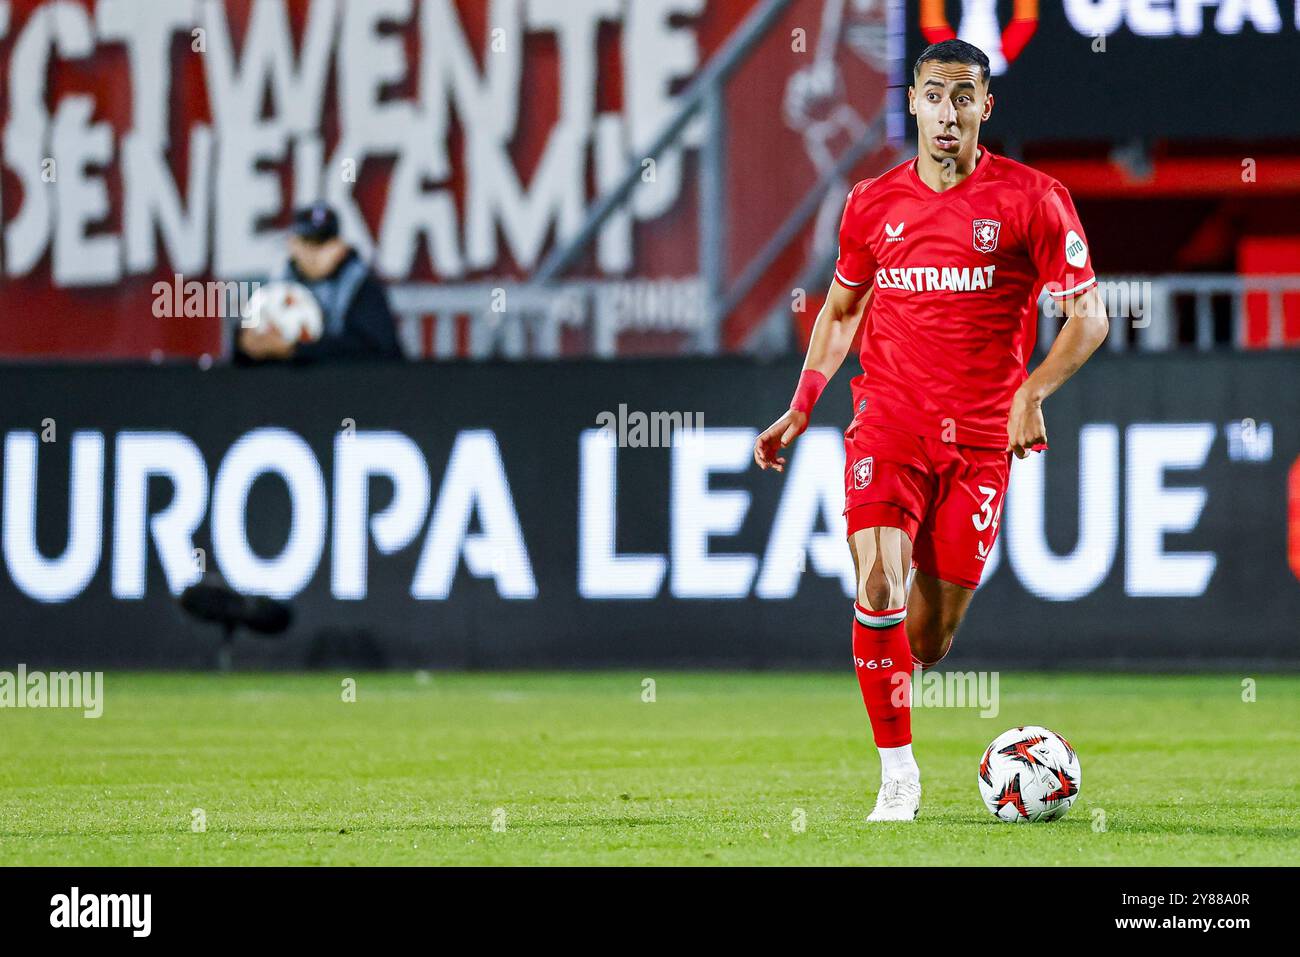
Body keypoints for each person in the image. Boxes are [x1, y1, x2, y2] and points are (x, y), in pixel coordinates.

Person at [753, 39, 1110, 822]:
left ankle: (902, 672)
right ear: (911, 100)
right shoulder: (871, 204)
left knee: (930, 640)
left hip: (982, 442)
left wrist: (1033, 391)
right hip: (889, 424)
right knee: (877, 582)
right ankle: (898, 775)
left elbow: (1089, 316)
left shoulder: (1033, 200)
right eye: (934, 95)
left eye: (964, 97)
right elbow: (843, 311)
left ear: (987, 106)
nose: (947, 112)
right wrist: (804, 402)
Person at [237, 202, 402, 363]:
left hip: (346, 387)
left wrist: (297, 350)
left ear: (340, 247)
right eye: (307, 242)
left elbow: (381, 352)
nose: (314, 253)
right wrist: (246, 345)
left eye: (323, 243)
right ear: (292, 244)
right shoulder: (273, 285)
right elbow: (240, 352)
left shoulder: (362, 286)